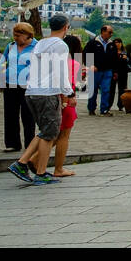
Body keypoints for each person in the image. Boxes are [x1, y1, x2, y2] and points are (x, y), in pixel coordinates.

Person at [9, 15, 74, 186]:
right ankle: (41, 172)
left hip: (32, 91)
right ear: (66, 27)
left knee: (44, 130)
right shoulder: (60, 45)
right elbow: (61, 71)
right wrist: (69, 93)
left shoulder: (41, 43)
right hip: (48, 92)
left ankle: (22, 162)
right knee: (50, 133)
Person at [50, 34, 83, 177]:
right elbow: (68, 84)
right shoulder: (74, 64)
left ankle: (33, 158)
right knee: (63, 135)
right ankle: (58, 168)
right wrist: (67, 99)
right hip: (67, 100)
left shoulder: (55, 60)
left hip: (53, 98)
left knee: (50, 134)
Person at [1, 22, 36, 153]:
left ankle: (30, 144)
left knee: (28, 115)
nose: (15, 38)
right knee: (10, 114)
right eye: (14, 35)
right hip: (10, 84)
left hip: (28, 85)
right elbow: (2, 62)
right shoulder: (10, 47)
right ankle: (12, 143)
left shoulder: (37, 47)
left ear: (28, 35)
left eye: (18, 35)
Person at [83, 24, 117, 116]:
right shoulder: (93, 43)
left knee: (106, 90)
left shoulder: (112, 44)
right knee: (93, 90)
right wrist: (90, 65)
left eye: (112, 32)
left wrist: (114, 71)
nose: (111, 34)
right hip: (95, 70)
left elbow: (114, 59)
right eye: (109, 32)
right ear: (103, 32)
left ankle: (104, 109)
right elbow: (86, 54)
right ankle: (91, 108)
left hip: (107, 71)